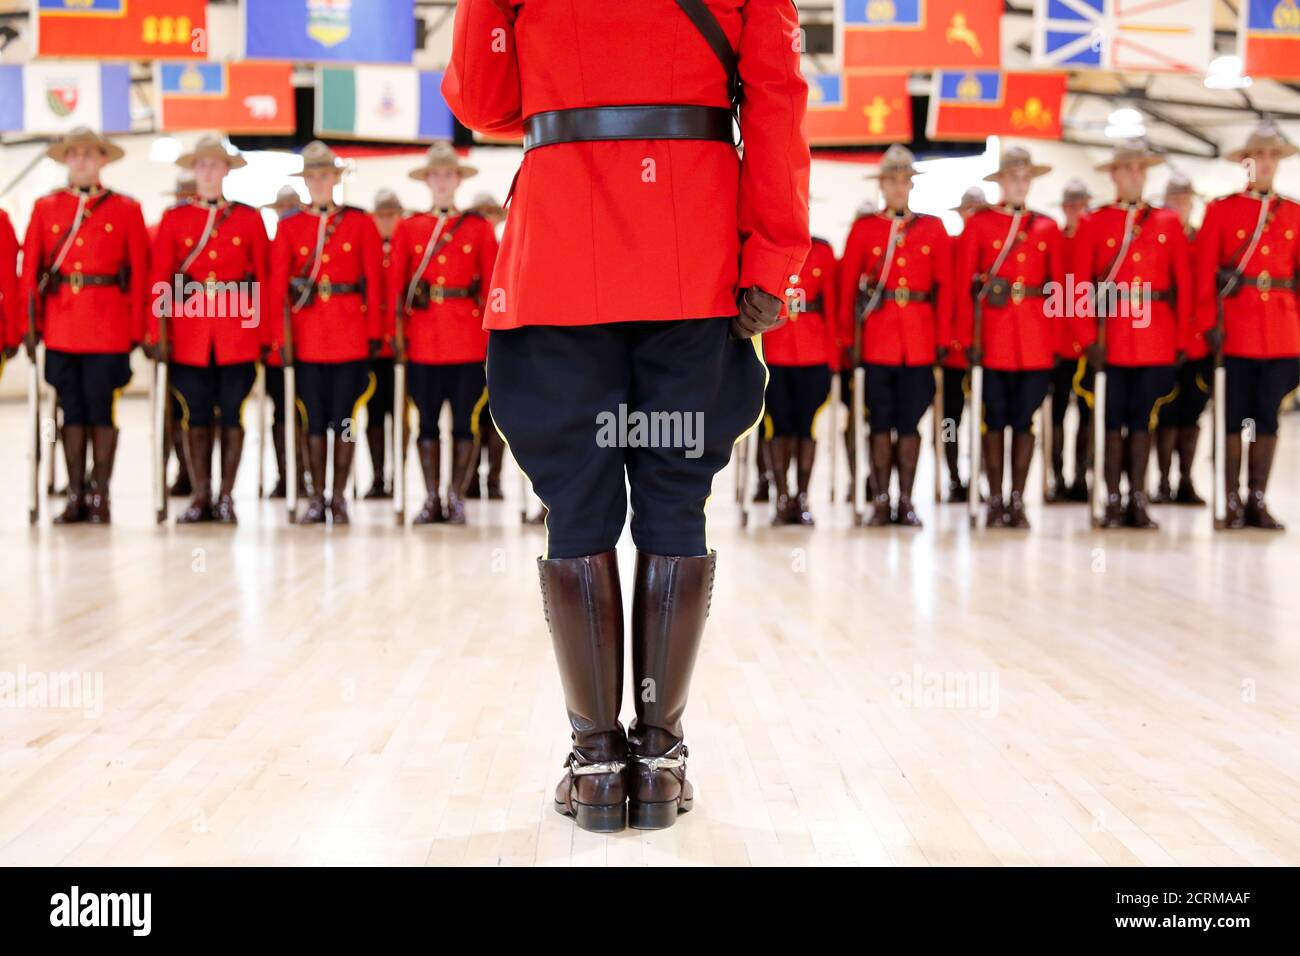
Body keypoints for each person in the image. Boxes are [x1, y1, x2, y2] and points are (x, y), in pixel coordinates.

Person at [443, 0, 809, 831]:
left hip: (561, 249)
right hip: (697, 246)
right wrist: (776, 252)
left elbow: (483, 101)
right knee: (676, 497)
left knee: (575, 502)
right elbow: (778, 101)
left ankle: (598, 761)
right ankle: (662, 757)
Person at [21, 127, 150, 525]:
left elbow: (141, 273)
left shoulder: (125, 209)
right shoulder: (46, 207)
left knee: (101, 409)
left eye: (89, 154)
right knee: (69, 411)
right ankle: (75, 494)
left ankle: (101, 495)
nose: (81, 161)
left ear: (102, 160)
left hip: (108, 325)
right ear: (66, 160)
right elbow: (31, 273)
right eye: (74, 154)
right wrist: (31, 323)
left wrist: (138, 329)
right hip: (61, 324)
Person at [146, 135, 270, 524]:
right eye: (200, 165)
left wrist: (268, 337)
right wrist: (156, 332)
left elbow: (264, 279)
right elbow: (159, 278)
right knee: (195, 414)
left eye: (214, 165)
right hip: (190, 334)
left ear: (226, 170)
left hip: (237, 332)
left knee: (231, 413)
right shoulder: (174, 219)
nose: (207, 171)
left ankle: (227, 496)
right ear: (193, 170)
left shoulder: (248, 219)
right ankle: (201, 494)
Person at [955, 146, 1081, 529]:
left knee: (1024, 421)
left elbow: (1062, 287)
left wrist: (1061, 341)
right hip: (992, 338)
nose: (1021, 183)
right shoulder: (980, 224)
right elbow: (963, 284)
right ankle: (995, 500)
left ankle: (1017, 500)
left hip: (1035, 341)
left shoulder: (1046, 228)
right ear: (1002, 182)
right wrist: (965, 338)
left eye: (1026, 178)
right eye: (1014, 177)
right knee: (994, 420)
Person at [268, 141, 384, 525]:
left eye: (325, 176)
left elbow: (375, 282)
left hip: (350, 336)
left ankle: (339, 497)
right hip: (307, 337)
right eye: (312, 177)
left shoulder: (360, 222)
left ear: (335, 179)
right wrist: (280, 341)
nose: (319, 183)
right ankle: (317, 496)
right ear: (306, 182)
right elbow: (277, 289)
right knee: (312, 419)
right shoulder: (289, 227)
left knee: (346, 420)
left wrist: (373, 332)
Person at [1077, 141, 1191, 530]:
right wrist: (1086, 336)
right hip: (1111, 335)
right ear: (1113, 174)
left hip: (1155, 334)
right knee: (1111, 419)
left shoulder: (1168, 222)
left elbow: (1184, 285)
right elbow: (1077, 284)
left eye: (1140, 169)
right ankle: (1111, 499)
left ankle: (1137, 498)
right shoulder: (1095, 222)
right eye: (1126, 169)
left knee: (1143, 419)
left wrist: (1181, 340)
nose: (1134, 176)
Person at [838, 144, 952, 527]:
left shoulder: (933, 229)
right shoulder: (865, 228)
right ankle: (881, 500)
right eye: (892, 181)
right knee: (878, 421)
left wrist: (944, 337)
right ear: (882, 185)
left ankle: (907, 500)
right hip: (877, 340)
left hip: (919, 341)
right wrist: (847, 342)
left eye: (905, 181)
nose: (899, 188)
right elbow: (846, 289)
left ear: (911, 186)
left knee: (910, 423)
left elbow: (947, 287)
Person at [1195, 121, 1300, 530]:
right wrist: (1208, 325)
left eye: (1274, 156)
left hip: (1279, 332)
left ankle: (1258, 497)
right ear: (1246, 163)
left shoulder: (1293, 213)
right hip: (1235, 331)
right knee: (1236, 418)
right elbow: (1205, 274)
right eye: (1259, 156)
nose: (1267, 163)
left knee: (1266, 418)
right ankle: (1231, 498)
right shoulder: (1222, 210)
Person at [387, 142, 498, 525]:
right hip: (423, 340)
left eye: (449, 174)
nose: (442, 181)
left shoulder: (480, 228)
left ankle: (457, 497)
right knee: (428, 422)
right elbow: (394, 287)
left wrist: (493, 339)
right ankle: (432, 498)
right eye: (436, 175)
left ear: (457, 180)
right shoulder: (408, 227)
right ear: (428, 180)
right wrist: (396, 334)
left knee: (465, 422)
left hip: (467, 339)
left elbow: (491, 286)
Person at [762, 234, 837, 525]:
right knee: (778, 426)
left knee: (806, 426)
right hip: (775, 348)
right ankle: (782, 498)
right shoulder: (769, 245)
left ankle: (803, 497)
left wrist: (834, 355)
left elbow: (831, 301)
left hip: (813, 349)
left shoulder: (822, 251)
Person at [1152, 171, 1209, 505]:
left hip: (1197, 340)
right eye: (1174, 200)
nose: (1181, 205)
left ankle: (1185, 478)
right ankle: (1161, 481)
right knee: (1164, 410)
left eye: (1185, 200)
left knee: (1192, 411)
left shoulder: (1200, 239)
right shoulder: (1158, 237)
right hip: (1163, 338)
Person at [938, 186, 986, 503]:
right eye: (967, 211)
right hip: (952, 355)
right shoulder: (950, 245)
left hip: (982, 351)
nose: (971, 217)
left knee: (982, 421)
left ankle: (977, 479)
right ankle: (954, 475)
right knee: (950, 421)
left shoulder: (990, 253)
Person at [260, 185, 309, 499]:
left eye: (292, 205)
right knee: (282, 412)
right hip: (277, 346)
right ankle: (287, 474)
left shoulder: (302, 235)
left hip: (302, 340)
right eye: (282, 206)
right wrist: (268, 339)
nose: (286, 210)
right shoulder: (269, 243)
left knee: (306, 412)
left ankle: (304, 473)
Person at [1048, 178, 1094, 503]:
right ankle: (1057, 475)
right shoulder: (1055, 240)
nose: (1078, 211)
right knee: (1057, 414)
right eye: (1073, 205)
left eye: (1082, 205)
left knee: (1089, 413)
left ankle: (1081, 474)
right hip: (1059, 341)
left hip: (1089, 341)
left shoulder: (1095, 240)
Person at [365, 187, 405, 499]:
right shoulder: (369, 248)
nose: (387, 220)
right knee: (374, 414)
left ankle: (399, 476)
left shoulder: (407, 246)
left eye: (392, 214)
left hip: (401, 347)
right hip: (375, 346)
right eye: (382, 215)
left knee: (400, 416)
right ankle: (378, 476)